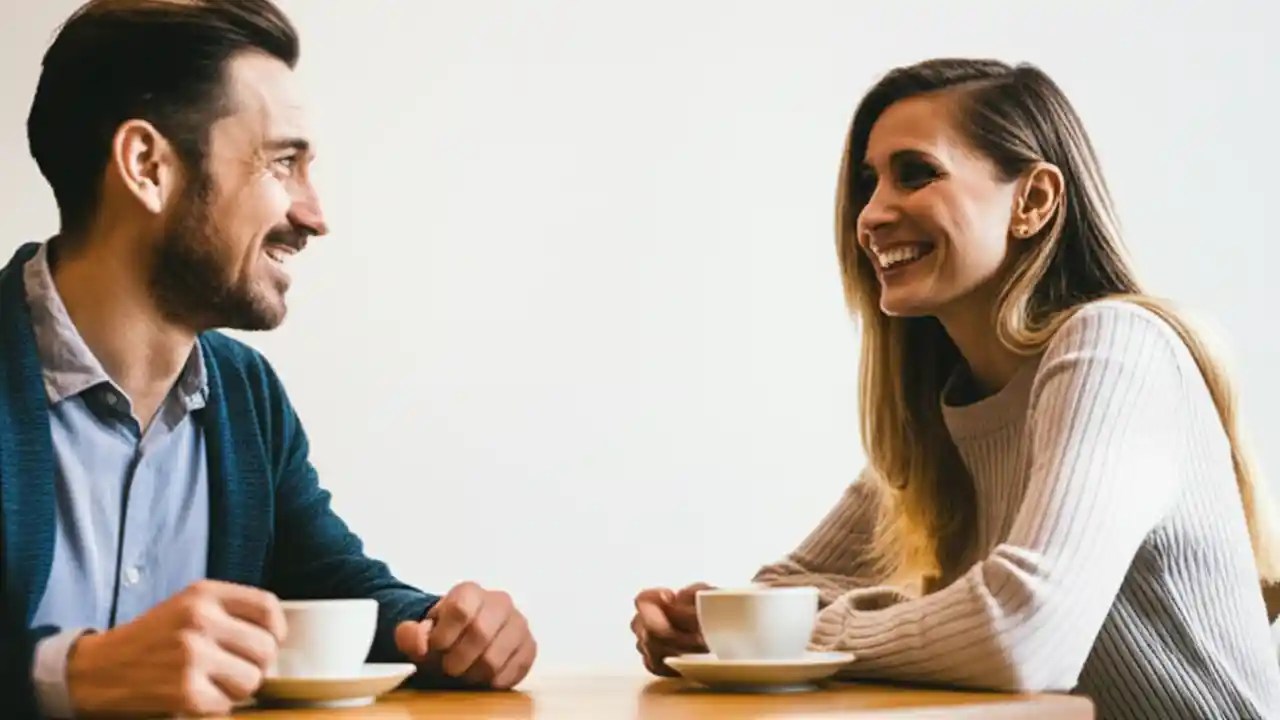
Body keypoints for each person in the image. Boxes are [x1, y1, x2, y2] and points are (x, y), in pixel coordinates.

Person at [631, 58, 1280, 718]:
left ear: (1033, 201)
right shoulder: (946, 408)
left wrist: (787, 637)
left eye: (916, 173)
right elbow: (781, 590)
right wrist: (717, 631)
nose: (872, 216)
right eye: (868, 183)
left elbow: (1023, 636)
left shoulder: (1113, 348)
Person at [1, 1, 535, 717]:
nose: (315, 215)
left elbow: (332, 587)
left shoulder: (244, 394)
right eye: (283, 162)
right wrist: (73, 674)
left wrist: (447, 630)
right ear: (147, 166)